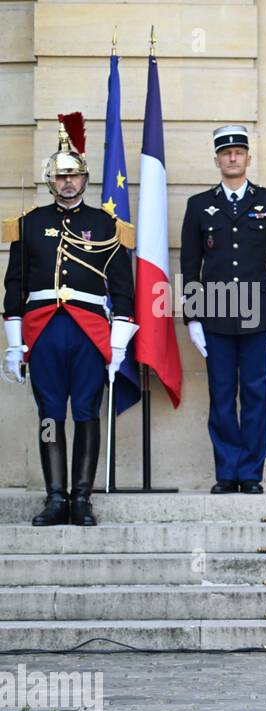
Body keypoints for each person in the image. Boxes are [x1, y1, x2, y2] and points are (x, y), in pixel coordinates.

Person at [3, 113, 136, 527]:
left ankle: (82, 498)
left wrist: (117, 344)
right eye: (60, 177)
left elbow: (124, 291)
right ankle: (55, 496)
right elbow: (14, 288)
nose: (68, 183)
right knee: (49, 414)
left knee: (85, 412)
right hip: (42, 330)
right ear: (49, 180)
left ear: (85, 178)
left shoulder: (107, 225)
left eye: (74, 176)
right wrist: (13, 343)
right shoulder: (29, 224)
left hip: (90, 331)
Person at [180, 124, 266, 494]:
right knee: (220, 394)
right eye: (225, 152)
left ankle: (250, 473)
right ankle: (226, 472)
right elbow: (190, 264)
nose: (232, 157)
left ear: (248, 158)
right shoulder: (198, 206)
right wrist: (193, 316)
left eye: (238, 152)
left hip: (258, 315)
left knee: (254, 394)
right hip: (215, 314)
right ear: (216, 159)